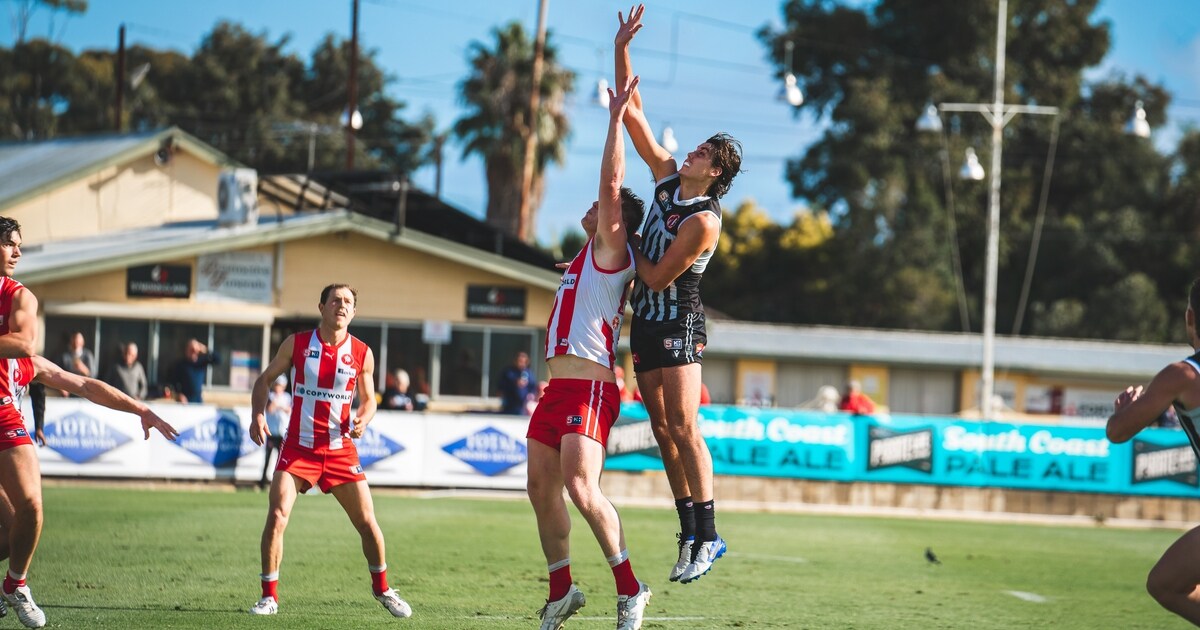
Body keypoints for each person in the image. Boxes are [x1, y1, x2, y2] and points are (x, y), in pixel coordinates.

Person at [615, 4, 743, 584]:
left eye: (702, 155)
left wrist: (622, 242)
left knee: (686, 426)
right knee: (660, 429)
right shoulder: (667, 180)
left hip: (678, 321)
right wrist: (622, 47)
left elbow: (660, 276)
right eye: (695, 149)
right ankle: (689, 529)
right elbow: (633, 114)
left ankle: (710, 536)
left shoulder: (705, 220)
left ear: (714, 173)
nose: (690, 152)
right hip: (645, 322)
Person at [527, 74, 652, 630]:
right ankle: (563, 592)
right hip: (558, 389)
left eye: (602, 208)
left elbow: (613, 180)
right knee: (540, 489)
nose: (593, 207)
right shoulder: (584, 259)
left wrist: (614, 119)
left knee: (581, 486)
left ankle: (630, 589)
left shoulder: (610, 247)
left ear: (615, 220)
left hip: (592, 388)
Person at [247, 283, 411, 618]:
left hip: (340, 450)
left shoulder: (362, 353)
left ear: (354, 312)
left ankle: (383, 589)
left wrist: (363, 419)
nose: (341, 305)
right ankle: (269, 597)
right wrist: (258, 416)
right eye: (335, 300)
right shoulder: (297, 344)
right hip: (299, 447)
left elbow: (369, 402)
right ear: (321, 307)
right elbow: (264, 381)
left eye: (348, 301)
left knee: (367, 522)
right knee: (277, 516)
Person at [0, 353, 178, 628]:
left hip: (6, 445)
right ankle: (16, 585)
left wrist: (140, 409)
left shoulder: (28, 362)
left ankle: (14, 585)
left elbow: (86, 386)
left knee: (21, 530)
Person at [1107, 277, 1200, 625]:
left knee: (1166, 585)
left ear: (1189, 317)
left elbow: (1118, 432)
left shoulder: (1183, 376)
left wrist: (1124, 411)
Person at [259, 375, 290, 489]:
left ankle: (278, 482)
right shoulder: (271, 396)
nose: (278, 387)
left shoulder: (287, 397)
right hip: (272, 433)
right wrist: (276, 403)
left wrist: (282, 406)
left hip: (283, 433)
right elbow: (270, 409)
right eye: (277, 385)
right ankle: (262, 483)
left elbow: (289, 410)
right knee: (267, 458)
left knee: (281, 461)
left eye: (280, 385)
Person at [170, 339, 220, 404]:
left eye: (195, 350)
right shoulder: (181, 365)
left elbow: (218, 360)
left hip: (198, 401)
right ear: (186, 350)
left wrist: (205, 349)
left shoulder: (201, 363)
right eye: (191, 350)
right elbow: (173, 383)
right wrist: (179, 395)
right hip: (185, 402)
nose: (193, 352)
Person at [57, 332, 96, 397]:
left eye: (78, 343)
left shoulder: (88, 355)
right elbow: (57, 374)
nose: (76, 345)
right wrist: (61, 388)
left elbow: (94, 376)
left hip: (85, 392)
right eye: (74, 343)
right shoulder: (65, 357)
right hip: (69, 392)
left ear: (82, 343)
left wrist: (84, 369)